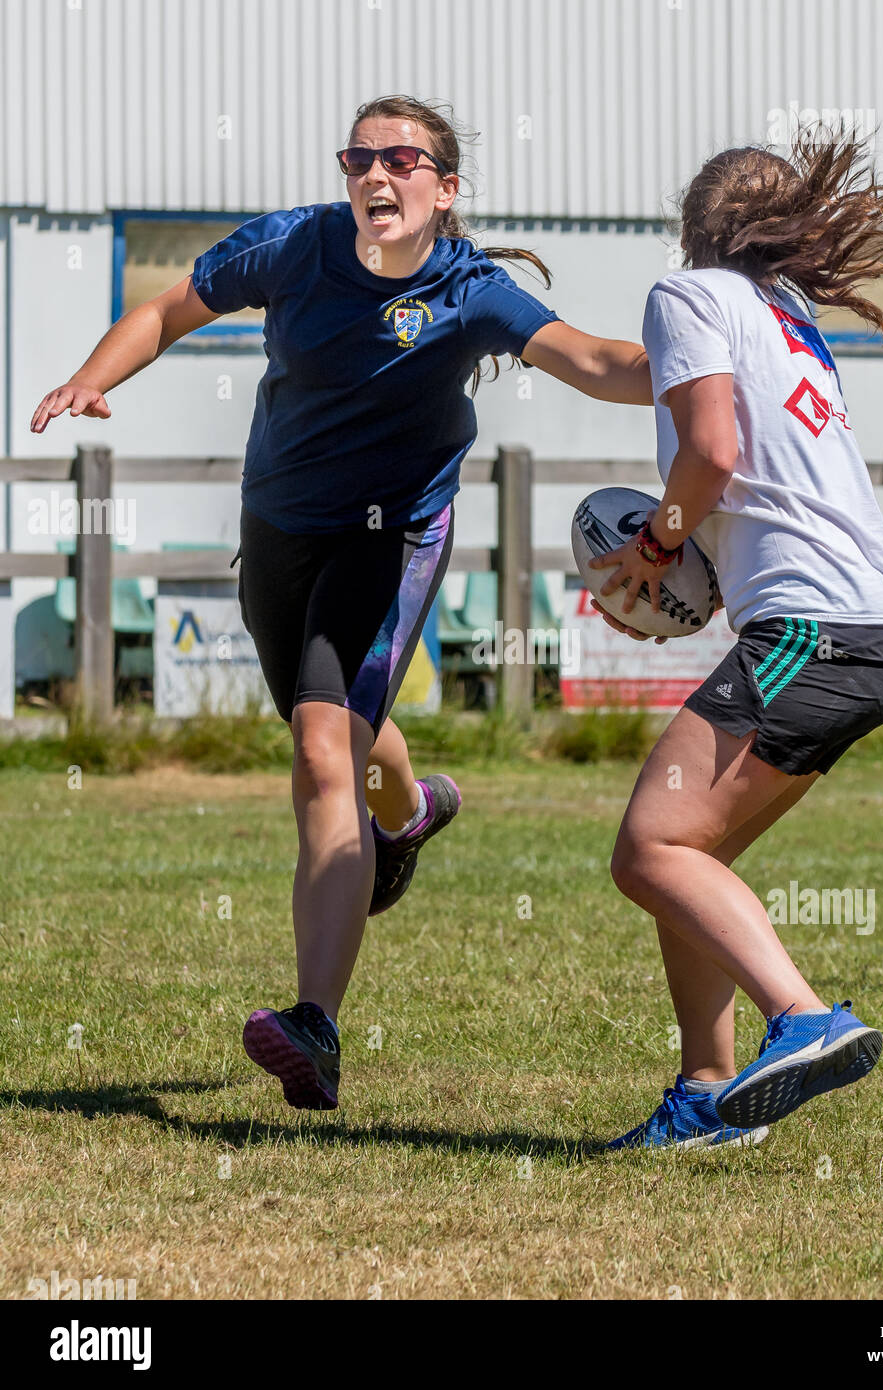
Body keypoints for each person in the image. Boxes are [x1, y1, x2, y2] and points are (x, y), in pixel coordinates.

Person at [31, 94, 652, 1112]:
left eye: (401, 159)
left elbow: (590, 361)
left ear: (442, 189)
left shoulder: (471, 291)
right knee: (343, 739)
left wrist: (706, 369)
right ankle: (407, 815)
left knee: (322, 745)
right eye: (357, 158)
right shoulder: (288, 247)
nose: (375, 174)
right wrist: (94, 377)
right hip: (278, 528)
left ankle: (313, 1025)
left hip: (391, 531)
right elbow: (163, 309)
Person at [589, 128, 883, 1151]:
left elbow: (712, 450)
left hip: (815, 627)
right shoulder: (783, 314)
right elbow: (698, 423)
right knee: (696, 852)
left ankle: (805, 1018)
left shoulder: (688, 294)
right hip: (880, 628)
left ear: (693, 230)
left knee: (648, 846)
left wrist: (653, 545)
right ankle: (704, 1088)